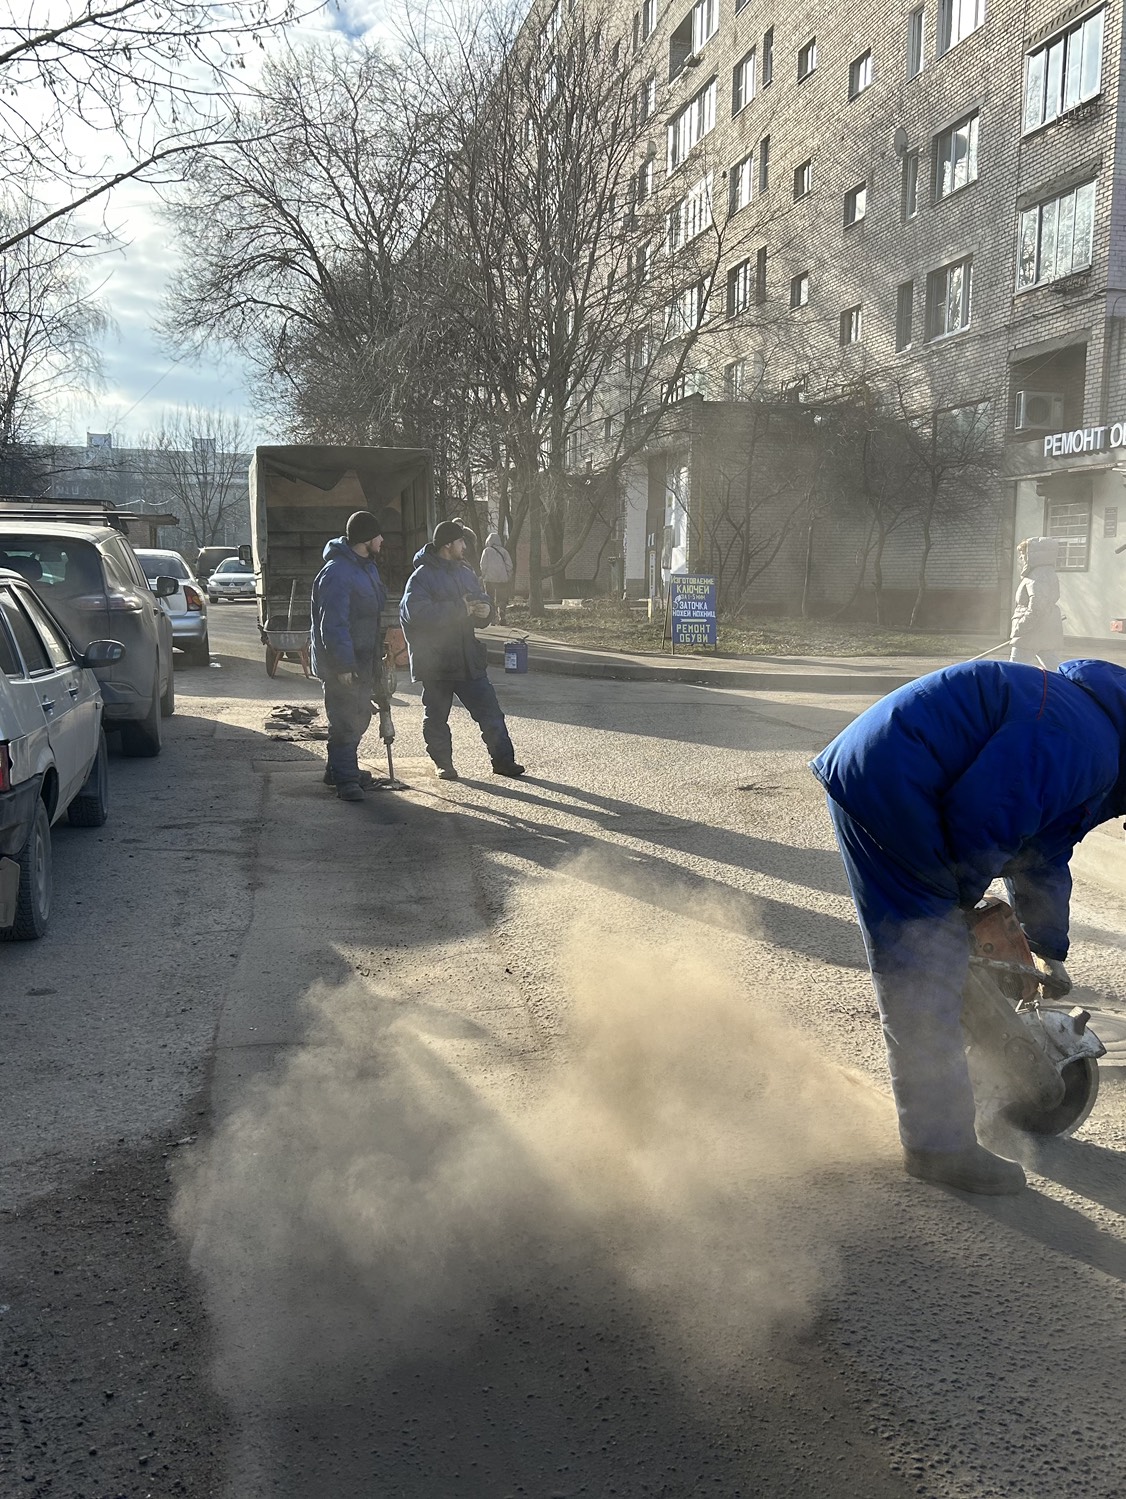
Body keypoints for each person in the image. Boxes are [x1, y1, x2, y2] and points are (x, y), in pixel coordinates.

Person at [811, 657, 1126, 1196]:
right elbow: (985, 819)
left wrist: (1048, 943)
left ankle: (944, 1107)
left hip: (890, 780)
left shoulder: (1094, 730)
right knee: (925, 971)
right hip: (898, 792)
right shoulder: (1086, 743)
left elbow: (1044, 850)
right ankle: (938, 1147)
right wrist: (957, 904)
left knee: (936, 953)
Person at [400, 520, 524, 781]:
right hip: (437, 662)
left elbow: (480, 600)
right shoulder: (421, 577)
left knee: (490, 712)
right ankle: (443, 764)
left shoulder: (464, 572)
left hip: (467, 657)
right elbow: (416, 614)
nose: (465, 546)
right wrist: (461, 608)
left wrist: (485, 611)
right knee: (436, 717)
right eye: (460, 542)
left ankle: (504, 761)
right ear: (448, 545)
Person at [309, 510, 388, 803]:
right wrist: (343, 665)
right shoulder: (338, 573)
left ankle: (338, 769)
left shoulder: (366, 568)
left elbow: (372, 613)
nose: (382, 539)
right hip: (342, 661)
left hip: (362, 657)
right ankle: (345, 781)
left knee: (360, 714)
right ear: (365, 539)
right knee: (345, 719)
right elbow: (334, 623)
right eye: (377, 535)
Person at [1010, 536, 1065, 671]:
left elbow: (1037, 606)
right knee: (1053, 666)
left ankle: (1009, 691)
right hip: (1041, 630)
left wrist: (1022, 626)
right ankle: (1071, 688)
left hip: (1031, 632)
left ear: (1032, 555)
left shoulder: (1038, 575)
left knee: (1013, 670)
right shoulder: (1042, 573)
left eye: (1023, 554)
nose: (1021, 558)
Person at [479, 531, 514, 624]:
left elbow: (483, 565)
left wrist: (483, 575)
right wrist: (508, 576)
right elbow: (509, 566)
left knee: (489, 598)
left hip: (489, 579)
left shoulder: (486, 551)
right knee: (501, 598)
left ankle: (492, 618)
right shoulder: (504, 551)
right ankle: (502, 614)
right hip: (502, 579)